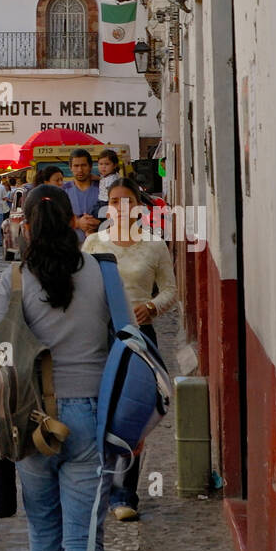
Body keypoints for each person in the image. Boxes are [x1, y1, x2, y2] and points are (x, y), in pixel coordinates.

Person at [0, 184, 114, 551]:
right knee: (82, 539)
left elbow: (0, 359)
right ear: (70, 221)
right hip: (91, 416)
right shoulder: (102, 273)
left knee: (44, 532)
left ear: (26, 224)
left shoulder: (14, 280)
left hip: (33, 421)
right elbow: (124, 341)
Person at [83, 176, 176, 522]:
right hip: (99, 337)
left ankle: (126, 494)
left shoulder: (154, 245)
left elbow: (170, 291)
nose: (121, 207)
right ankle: (94, 487)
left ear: (138, 206)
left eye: (127, 201)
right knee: (94, 411)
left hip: (140, 338)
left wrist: (150, 307)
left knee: (131, 416)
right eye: (115, 201)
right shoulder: (94, 243)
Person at [63, 150, 101, 243]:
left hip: (100, 245)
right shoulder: (63, 191)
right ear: (70, 167)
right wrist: (78, 223)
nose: (80, 170)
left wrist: (100, 223)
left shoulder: (103, 189)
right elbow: (56, 219)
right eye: (76, 166)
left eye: (83, 165)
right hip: (72, 247)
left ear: (90, 166)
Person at [95, 149, 120, 222]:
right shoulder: (106, 176)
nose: (103, 167)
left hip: (106, 203)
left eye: (107, 164)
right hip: (102, 201)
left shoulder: (112, 179)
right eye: (100, 164)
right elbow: (101, 178)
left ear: (115, 165)